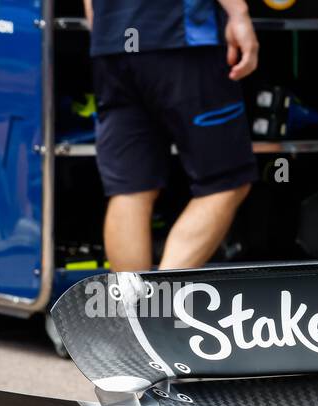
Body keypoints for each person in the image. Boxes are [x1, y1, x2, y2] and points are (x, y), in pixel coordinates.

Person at [84, 0, 259, 272]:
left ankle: (132, 310)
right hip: (180, 40)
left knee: (131, 188)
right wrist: (238, 13)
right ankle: (159, 302)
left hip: (111, 45)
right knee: (225, 181)